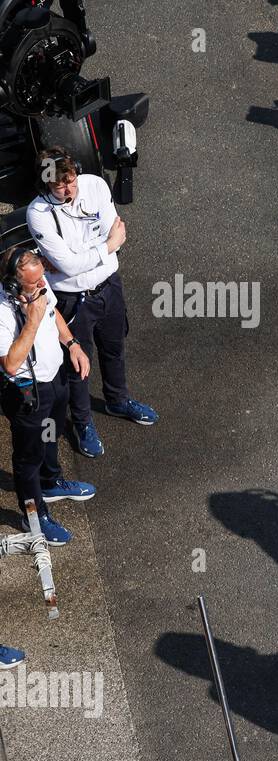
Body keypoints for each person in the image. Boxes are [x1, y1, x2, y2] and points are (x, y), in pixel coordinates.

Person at [27, 145, 157, 460]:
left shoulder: (96, 185)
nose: (67, 188)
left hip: (109, 287)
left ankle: (117, 400)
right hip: (73, 301)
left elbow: (117, 236)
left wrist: (82, 256)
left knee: (114, 348)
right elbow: (76, 263)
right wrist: (103, 247)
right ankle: (83, 423)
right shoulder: (39, 213)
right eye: (58, 184)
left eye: (70, 180)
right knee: (77, 366)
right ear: (46, 183)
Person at [0, 245, 95, 546]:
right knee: (28, 460)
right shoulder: (2, 313)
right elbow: (11, 363)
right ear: (14, 285)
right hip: (28, 394)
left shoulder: (40, 287)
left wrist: (73, 345)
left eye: (42, 277)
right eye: (35, 282)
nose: (43, 284)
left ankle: (51, 482)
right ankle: (35, 516)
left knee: (50, 436)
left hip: (54, 382)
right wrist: (32, 320)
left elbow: (53, 314)